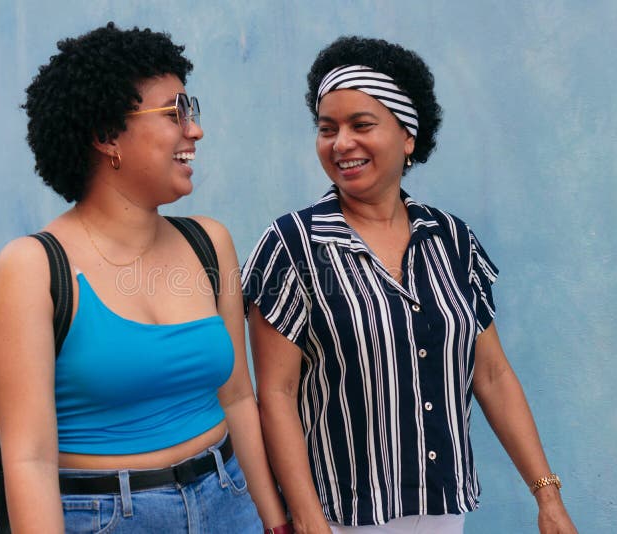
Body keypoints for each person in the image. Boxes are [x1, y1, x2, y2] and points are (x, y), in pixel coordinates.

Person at [242, 36, 578, 534]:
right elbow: (277, 393)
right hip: (341, 517)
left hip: (443, 513)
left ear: (408, 137)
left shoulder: (451, 240)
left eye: (361, 125)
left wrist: (547, 497)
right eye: (327, 129)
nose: (340, 144)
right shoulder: (292, 245)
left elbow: (491, 376)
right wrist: (310, 521)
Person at [0, 23, 289, 533]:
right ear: (105, 136)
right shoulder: (31, 269)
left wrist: (273, 520)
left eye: (193, 111)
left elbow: (235, 398)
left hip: (229, 501)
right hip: (106, 517)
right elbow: (29, 459)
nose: (195, 130)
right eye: (174, 112)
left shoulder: (209, 243)